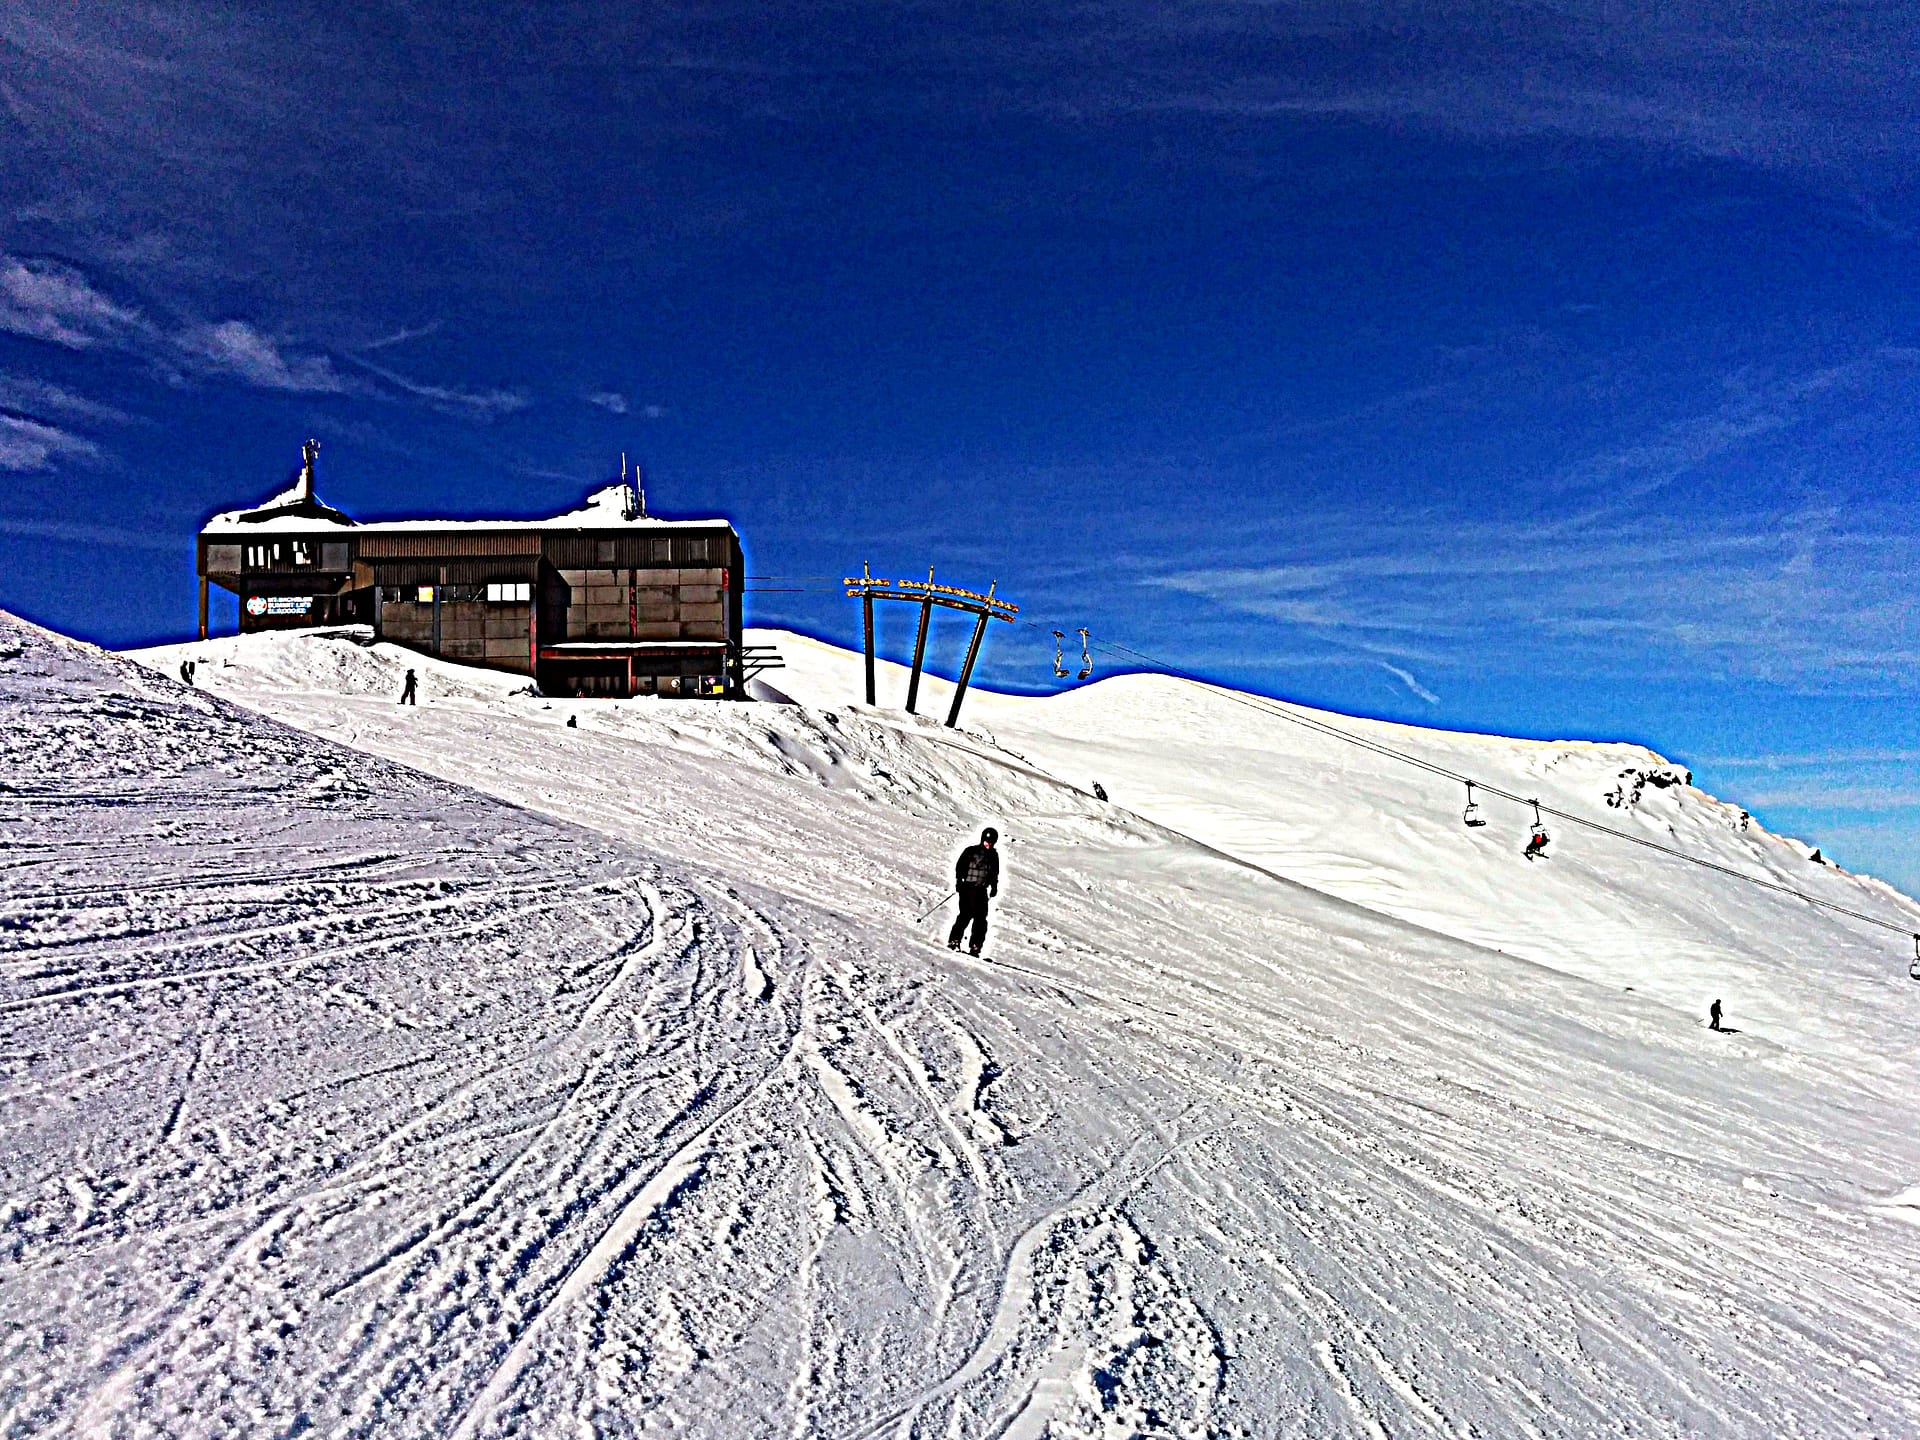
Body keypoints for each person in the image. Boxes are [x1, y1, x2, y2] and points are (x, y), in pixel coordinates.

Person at [947, 827, 1000, 956]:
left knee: (981, 919)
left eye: (991, 842)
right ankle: (954, 940)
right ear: (982, 840)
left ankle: (976, 946)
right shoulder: (971, 851)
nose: (989, 844)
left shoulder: (993, 856)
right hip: (968, 888)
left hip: (981, 890)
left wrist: (994, 887)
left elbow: (994, 873)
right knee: (965, 915)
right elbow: (960, 867)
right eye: (987, 841)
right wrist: (959, 881)